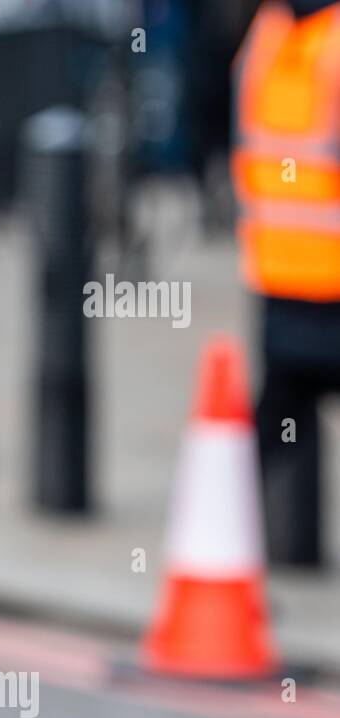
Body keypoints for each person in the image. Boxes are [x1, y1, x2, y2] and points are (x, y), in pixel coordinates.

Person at [234, 0, 340, 566]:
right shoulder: (276, 34)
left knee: (280, 424)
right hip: (297, 275)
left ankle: (278, 552)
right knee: (281, 422)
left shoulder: (266, 33)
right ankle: (279, 552)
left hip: (281, 269)